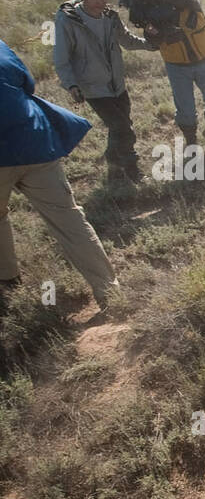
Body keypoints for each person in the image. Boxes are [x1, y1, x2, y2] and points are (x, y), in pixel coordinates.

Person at [0, 40, 120, 309]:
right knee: (69, 218)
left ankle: (8, 281)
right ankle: (108, 290)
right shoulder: (1, 47)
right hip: (34, 142)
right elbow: (27, 85)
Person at [53, 0, 156, 183]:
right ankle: (131, 168)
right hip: (92, 87)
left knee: (119, 126)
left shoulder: (110, 17)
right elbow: (61, 57)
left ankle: (113, 165)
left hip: (117, 84)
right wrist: (71, 84)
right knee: (123, 128)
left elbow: (126, 40)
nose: (100, 2)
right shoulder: (69, 22)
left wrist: (151, 44)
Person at [130, 0, 205, 145]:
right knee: (185, 111)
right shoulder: (145, 2)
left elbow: (191, 1)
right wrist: (153, 33)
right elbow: (152, 40)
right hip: (176, 65)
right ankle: (191, 142)